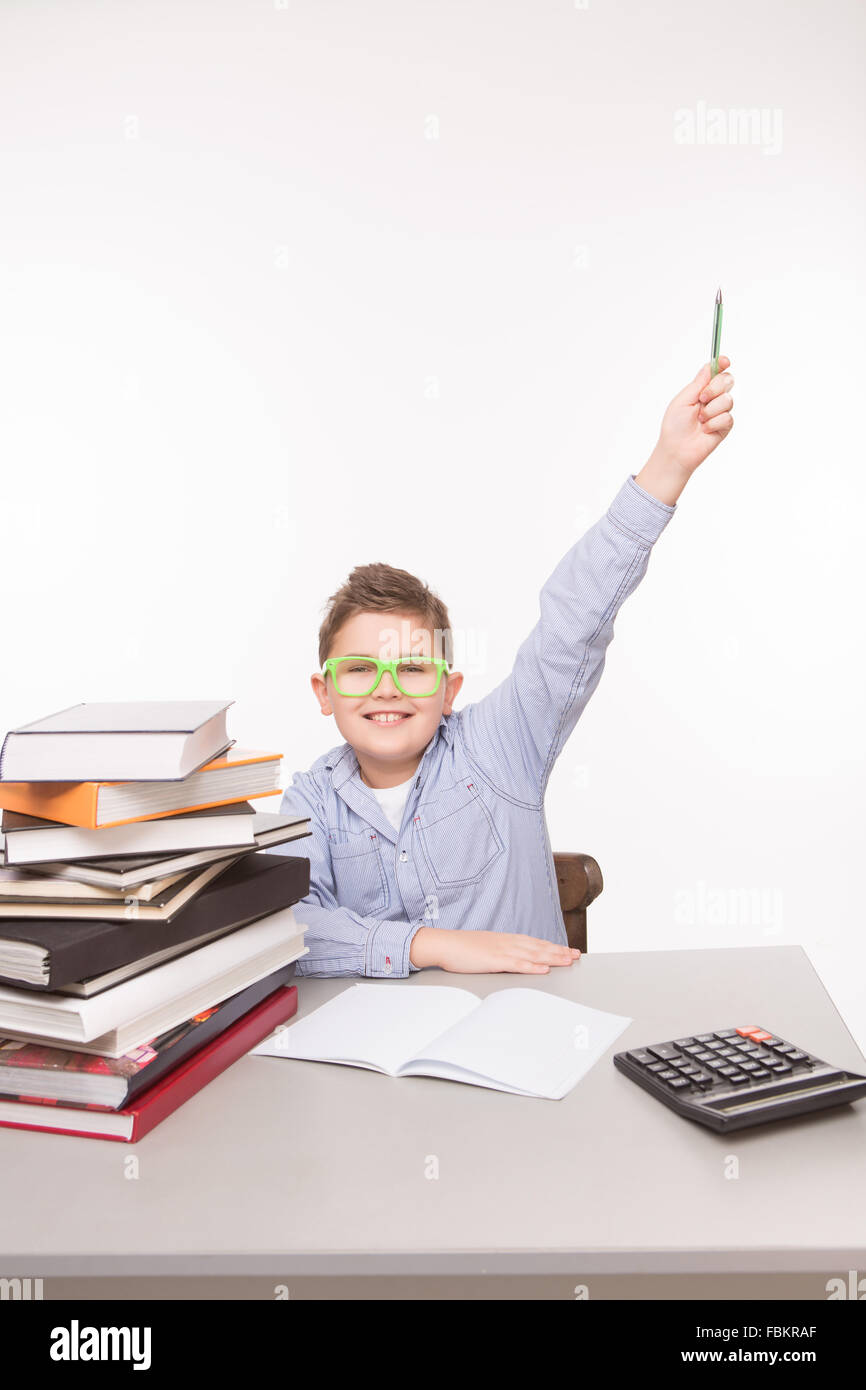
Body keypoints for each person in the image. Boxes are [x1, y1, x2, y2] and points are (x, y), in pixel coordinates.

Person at [274, 357, 734, 978]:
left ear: (449, 691)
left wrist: (667, 466)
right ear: (323, 691)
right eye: (359, 670)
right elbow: (290, 930)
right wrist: (432, 944)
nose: (386, 689)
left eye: (412, 669)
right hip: (381, 1056)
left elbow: (573, 622)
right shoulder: (311, 802)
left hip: (525, 1035)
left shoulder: (500, 747)